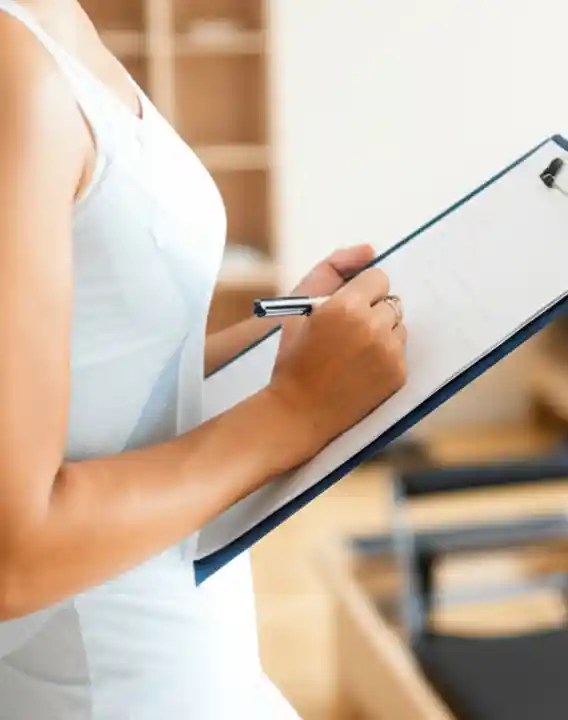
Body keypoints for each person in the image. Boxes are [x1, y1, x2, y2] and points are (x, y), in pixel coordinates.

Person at [0, 0, 409, 716]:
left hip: (180, 636)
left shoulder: (54, 25)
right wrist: (293, 411)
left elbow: (110, 369)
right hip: (105, 682)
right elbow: (12, 554)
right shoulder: (10, 66)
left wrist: (291, 342)